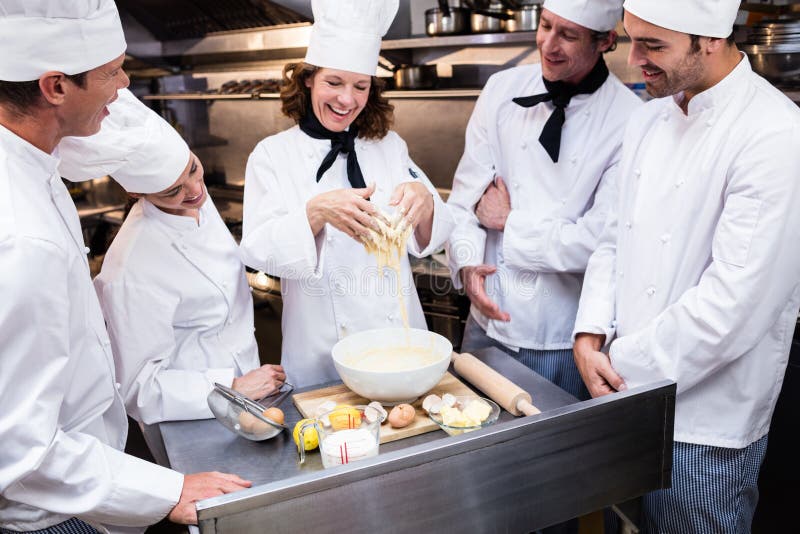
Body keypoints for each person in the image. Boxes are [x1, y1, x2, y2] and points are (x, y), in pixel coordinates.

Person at [0, 2, 250, 532]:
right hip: (53, 513)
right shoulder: (23, 233)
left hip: (82, 485)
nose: (124, 83)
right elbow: (15, 449)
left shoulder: (36, 177)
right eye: (112, 70)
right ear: (56, 87)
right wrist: (168, 489)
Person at [572, 0, 800, 531]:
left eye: (654, 46)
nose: (634, 62)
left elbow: (735, 306)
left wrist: (616, 368)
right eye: (632, 39)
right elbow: (612, 238)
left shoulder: (776, 134)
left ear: (712, 40)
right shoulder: (647, 119)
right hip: (624, 399)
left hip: (704, 434)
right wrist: (587, 334)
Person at [58, 95, 286, 467]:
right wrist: (231, 386)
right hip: (191, 418)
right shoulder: (130, 269)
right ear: (137, 192)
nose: (195, 191)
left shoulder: (196, 201)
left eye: (193, 169)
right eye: (172, 191)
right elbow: (138, 390)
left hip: (253, 391)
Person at [240, 0, 454, 388]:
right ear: (308, 79)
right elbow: (256, 250)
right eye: (334, 83)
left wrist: (424, 201)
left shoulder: (389, 146)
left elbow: (435, 232)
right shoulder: (272, 155)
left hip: (401, 347)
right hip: (323, 357)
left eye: (360, 86)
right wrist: (314, 214)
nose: (347, 100)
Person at [445, 0, 641, 401]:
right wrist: (467, 267)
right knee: (473, 448)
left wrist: (508, 222)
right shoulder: (502, 90)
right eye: (545, 25)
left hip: (564, 338)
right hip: (485, 324)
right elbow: (465, 201)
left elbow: (598, 241)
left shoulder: (632, 119)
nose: (548, 44)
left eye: (568, 35)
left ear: (606, 40)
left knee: (555, 460)